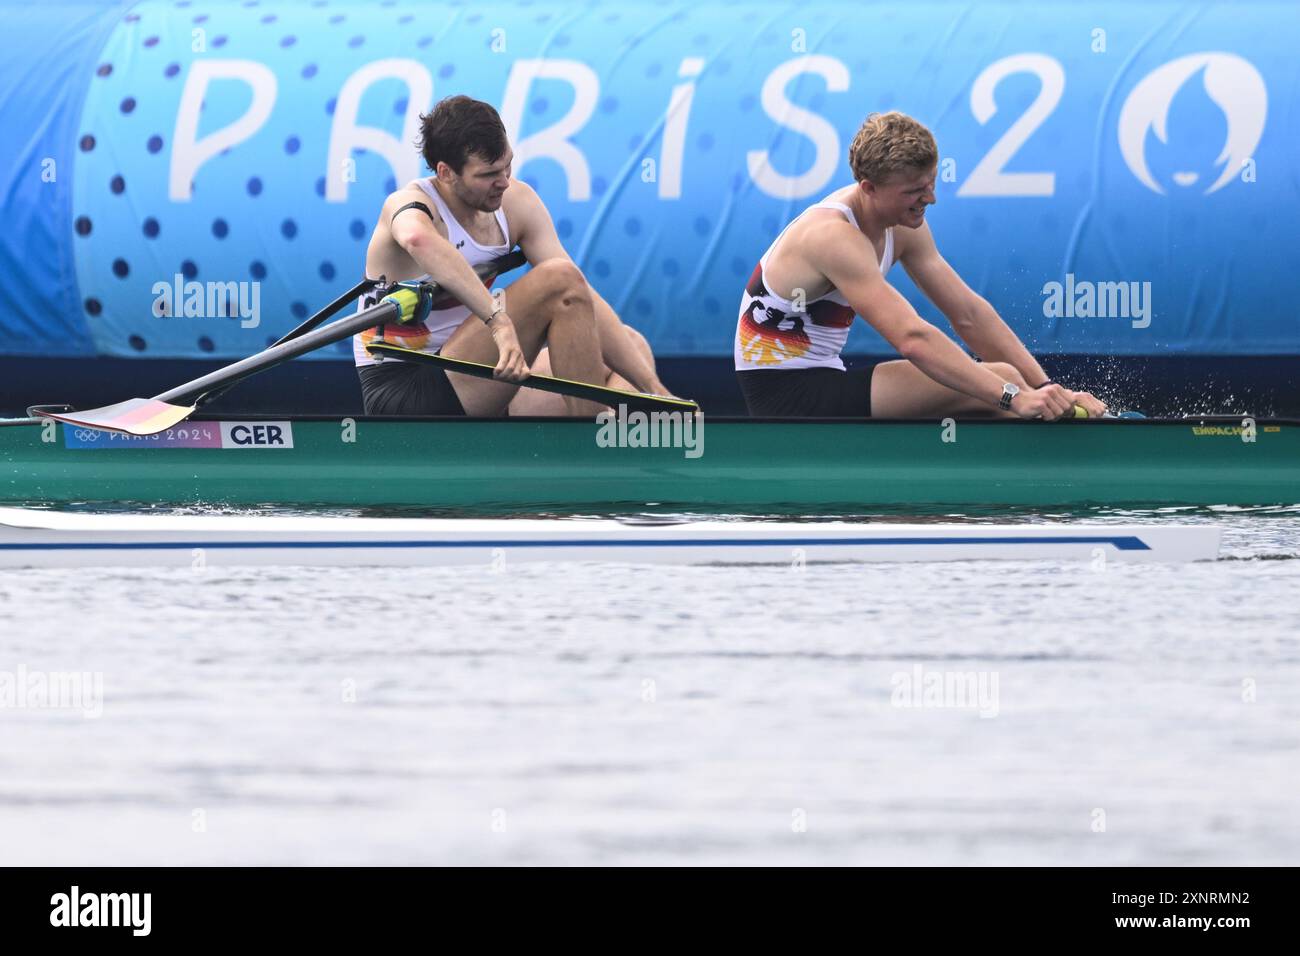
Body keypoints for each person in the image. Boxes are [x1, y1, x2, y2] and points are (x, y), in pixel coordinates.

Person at [735, 111, 1106, 420]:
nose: (930, 198)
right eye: (914, 191)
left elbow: (968, 314)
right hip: (784, 398)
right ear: (869, 189)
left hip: (827, 376)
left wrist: (1046, 389)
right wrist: (1013, 397)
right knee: (1002, 383)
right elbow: (911, 338)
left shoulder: (903, 225)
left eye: (930, 183)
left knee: (1006, 382)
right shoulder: (832, 237)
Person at [354, 95, 668, 416]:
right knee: (558, 279)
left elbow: (582, 297)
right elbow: (418, 239)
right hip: (405, 390)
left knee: (631, 349)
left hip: (486, 374)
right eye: (488, 174)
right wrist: (499, 323)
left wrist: (656, 391)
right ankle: (591, 445)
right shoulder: (408, 204)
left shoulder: (516, 202)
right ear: (446, 172)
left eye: (508, 165)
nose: (503, 182)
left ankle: (601, 436)